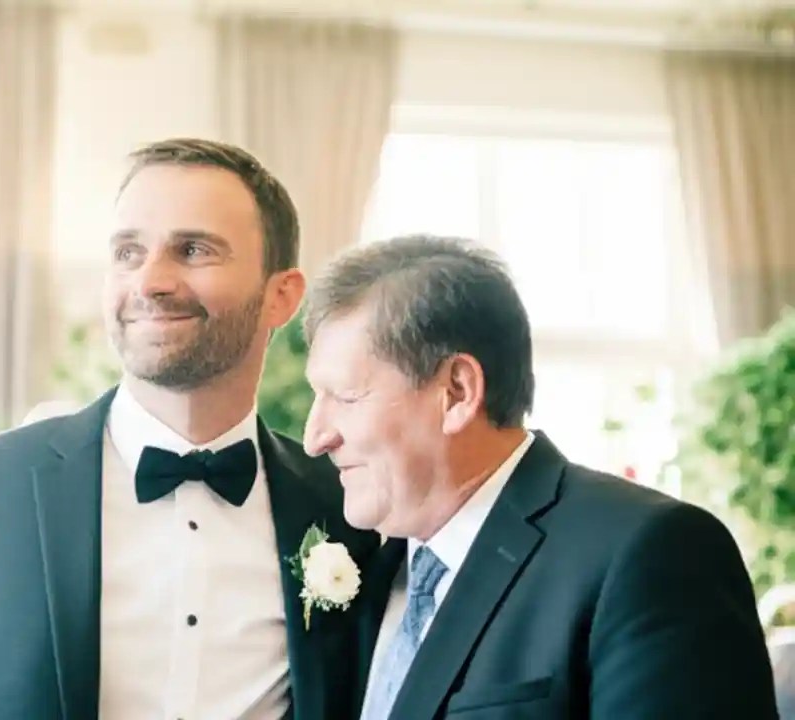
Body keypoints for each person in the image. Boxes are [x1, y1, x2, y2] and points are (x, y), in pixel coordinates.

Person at [0, 138, 378, 719]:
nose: (150, 281)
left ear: (281, 296)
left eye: (193, 250)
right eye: (128, 252)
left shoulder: (348, 504)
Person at [301, 235, 778, 719]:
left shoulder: (652, 554)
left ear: (458, 391)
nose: (314, 437)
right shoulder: (373, 573)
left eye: (344, 396)